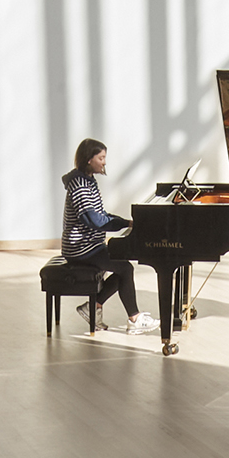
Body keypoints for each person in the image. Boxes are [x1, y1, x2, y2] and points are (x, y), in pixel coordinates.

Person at [61, 139, 152, 335]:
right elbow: (93, 220)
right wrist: (122, 224)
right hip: (80, 248)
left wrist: (126, 222)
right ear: (88, 159)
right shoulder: (79, 184)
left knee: (123, 268)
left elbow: (101, 215)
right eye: (101, 158)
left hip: (91, 245)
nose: (104, 162)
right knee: (125, 268)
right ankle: (134, 319)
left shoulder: (88, 180)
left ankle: (94, 307)